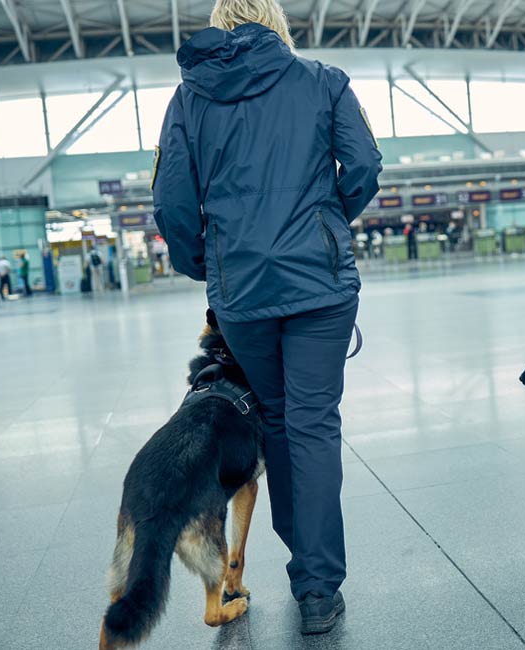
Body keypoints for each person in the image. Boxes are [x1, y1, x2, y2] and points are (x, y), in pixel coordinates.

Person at [153, 0, 381, 634]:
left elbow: (171, 202)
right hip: (322, 288)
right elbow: (364, 166)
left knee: (279, 419)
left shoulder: (188, 99)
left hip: (243, 296)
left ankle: (302, 553)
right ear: (275, 23)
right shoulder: (323, 81)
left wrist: (209, 264)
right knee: (313, 423)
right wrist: (328, 225)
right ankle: (316, 587)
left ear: (222, 24)